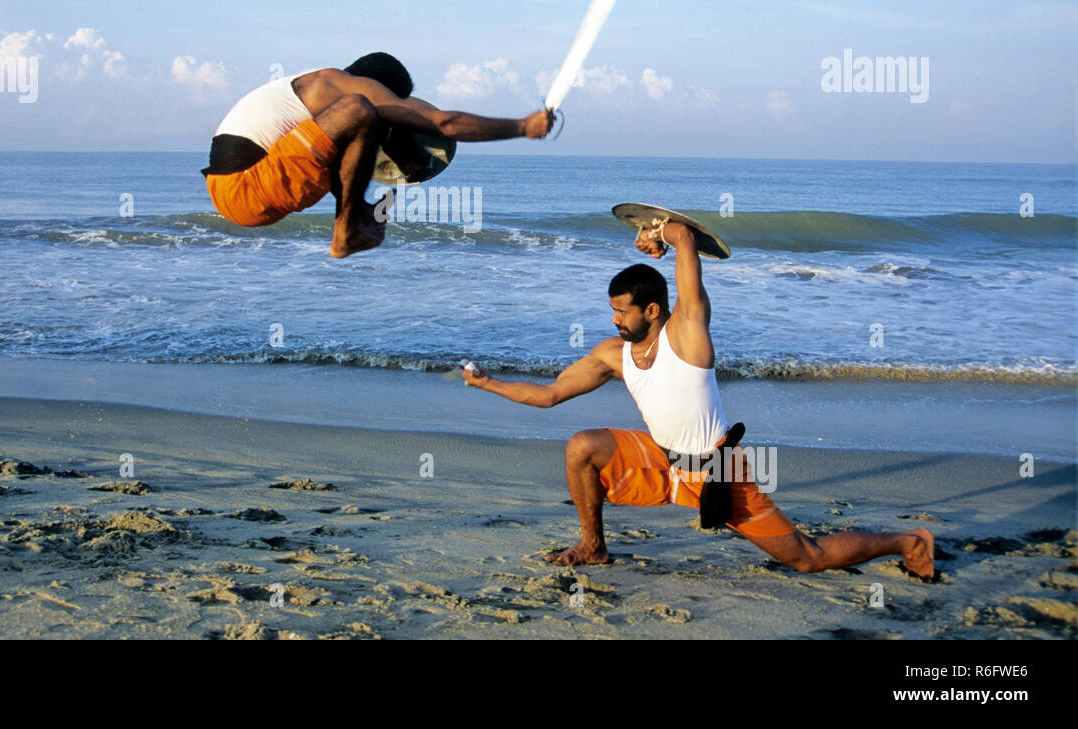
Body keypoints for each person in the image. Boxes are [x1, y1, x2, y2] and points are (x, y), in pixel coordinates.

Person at [462, 219, 936, 579]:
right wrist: (488, 384)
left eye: (621, 312)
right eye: (611, 312)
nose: (613, 322)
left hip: (717, 469)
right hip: (659, 456)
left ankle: (910, 541)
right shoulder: (614, 354)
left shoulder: (687, 333)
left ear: (652, 310)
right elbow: (549, 395)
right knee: (581, 446)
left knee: (805, 558)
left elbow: (687, 239)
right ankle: (593, 546)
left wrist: (660, 234)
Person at [201, 53, 551, 257]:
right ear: (373, 81)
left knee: (353, 129)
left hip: (241, 193)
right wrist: (522, 127)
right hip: (247, 187)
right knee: (359, 110)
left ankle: (359, 217)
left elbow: (343, 153)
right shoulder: (343, 85)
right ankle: (347, 230)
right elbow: (444, 123)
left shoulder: (312, 96)